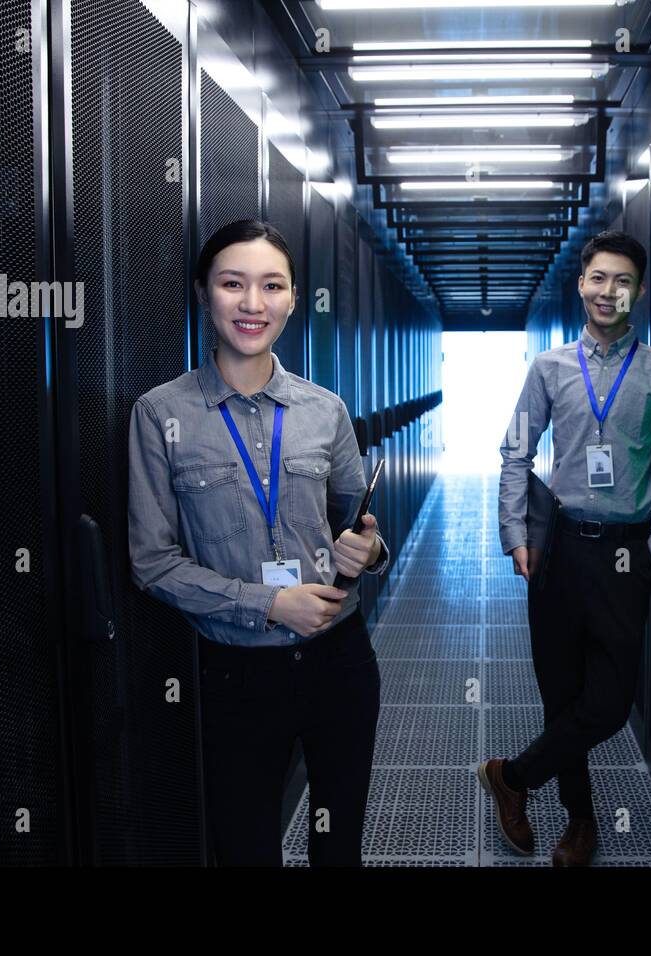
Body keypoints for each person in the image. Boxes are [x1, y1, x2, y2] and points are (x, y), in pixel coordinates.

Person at [127, 219, 390, 866]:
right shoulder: (161, 414)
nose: (253, 304)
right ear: (203, 293)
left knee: (338, 849)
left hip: (339, 661)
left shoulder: (324, 411)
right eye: (232, 284)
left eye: (271, 286)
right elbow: (151, 563)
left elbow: (357, 525)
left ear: (294, 297)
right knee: (245, 849)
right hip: (238, 672)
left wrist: (368, 552)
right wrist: (270, 605)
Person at [484, 229, 651, 866]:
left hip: (628, 555)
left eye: (622, 281)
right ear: (581, 284)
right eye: (598, 278)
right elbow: (515, 451)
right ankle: (581, 823)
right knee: (561, 698)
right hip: (562, 551)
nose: (609, 291)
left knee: (608, 701)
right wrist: (514, 535)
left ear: (639, 291)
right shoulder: (548, 368)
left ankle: (511, 777)